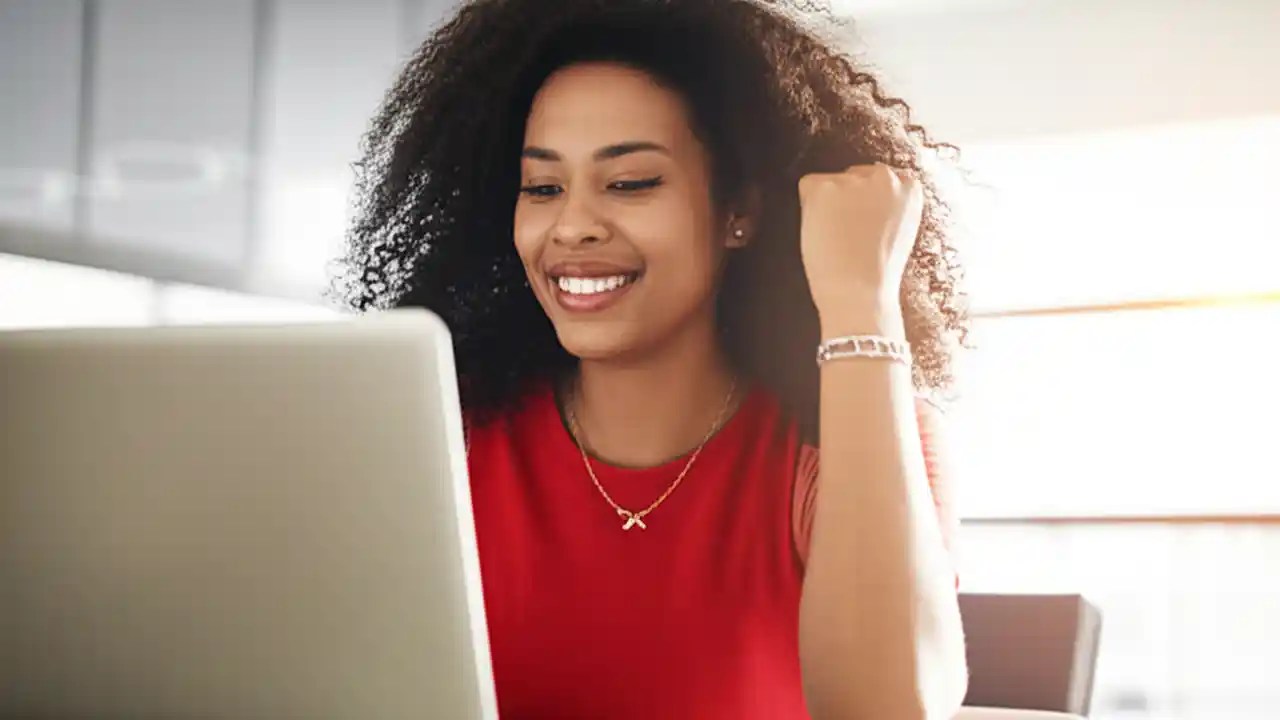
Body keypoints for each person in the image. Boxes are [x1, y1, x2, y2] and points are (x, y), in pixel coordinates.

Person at [337, 1, 970, 717]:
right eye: (543, 188)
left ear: (740, 209)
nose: (572, 226)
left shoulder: (851, 445)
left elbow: (885, 710)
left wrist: (861, 299)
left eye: (630, 183)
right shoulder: (443, 437)